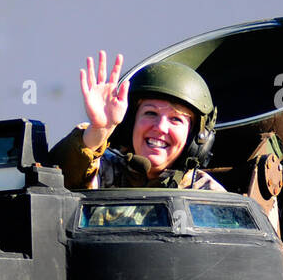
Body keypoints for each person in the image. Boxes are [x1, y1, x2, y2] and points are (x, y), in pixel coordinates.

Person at [50, 52, 222, 192]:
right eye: (150, 113)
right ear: (131, 123)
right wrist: (100, 129)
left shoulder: (204, 192)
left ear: (196, 138)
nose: (160, 127)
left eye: (175, 119)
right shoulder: (102, 169)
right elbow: (58, 177)